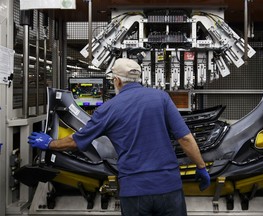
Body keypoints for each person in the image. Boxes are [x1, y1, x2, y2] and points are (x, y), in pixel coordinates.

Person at [28, 58, 210, 216]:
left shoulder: (108, 109)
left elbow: (76, 141)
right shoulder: (161, 98)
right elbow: (185, 139)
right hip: (168, 188)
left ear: (117, 81)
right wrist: (201, 167)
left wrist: (50, 143)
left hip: (134, 191)